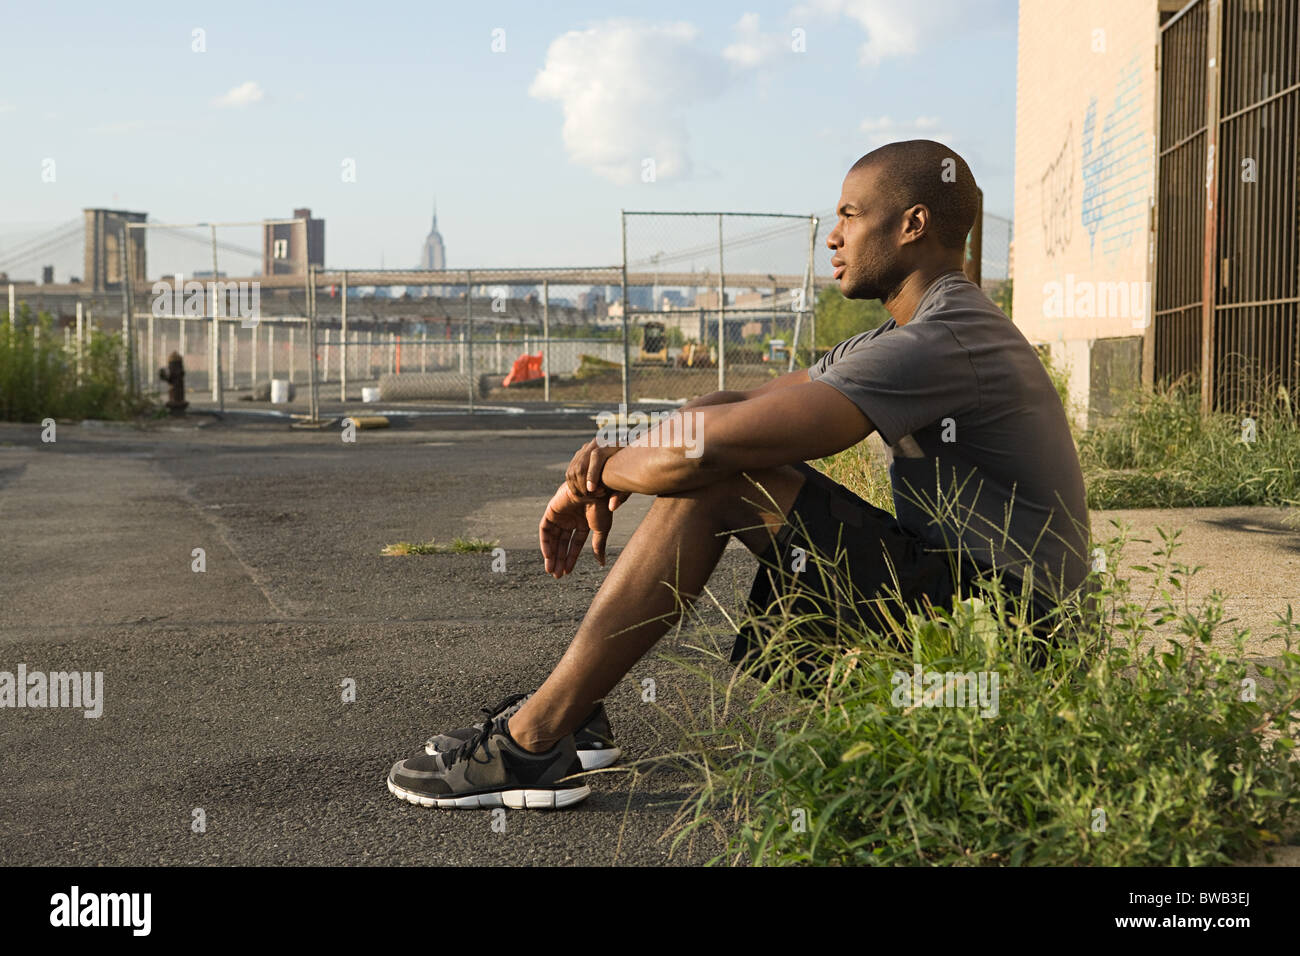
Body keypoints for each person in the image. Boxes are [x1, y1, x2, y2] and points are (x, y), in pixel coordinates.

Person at [387, 140, 1095, 811]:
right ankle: (574, 713)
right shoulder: (909, 332)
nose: (832, 236)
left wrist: (601, 479)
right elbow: (726, 406)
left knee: (721, 483)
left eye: (850, 214)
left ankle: (533, 743)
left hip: (1001, 650)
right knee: (720, 462)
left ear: (912, 224)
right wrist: (609, 455)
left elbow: (714, 450)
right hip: (967, 604)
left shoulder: (943, 340)